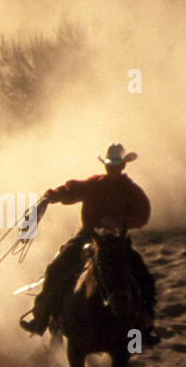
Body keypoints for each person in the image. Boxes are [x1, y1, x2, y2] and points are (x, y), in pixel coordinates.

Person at [20, 143, 156, 343]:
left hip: (118, 240)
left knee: (144, 278)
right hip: (88, 235)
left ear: (123, 166)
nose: (112, 168)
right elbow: (71, 190)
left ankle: (144, 326)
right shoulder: (95, 184)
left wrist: (120, 222)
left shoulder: (132, 191)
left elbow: (143, 215)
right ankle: (42, 317)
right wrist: (49, 197)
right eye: (110, 165)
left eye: (116, 165)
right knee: (55, 268)